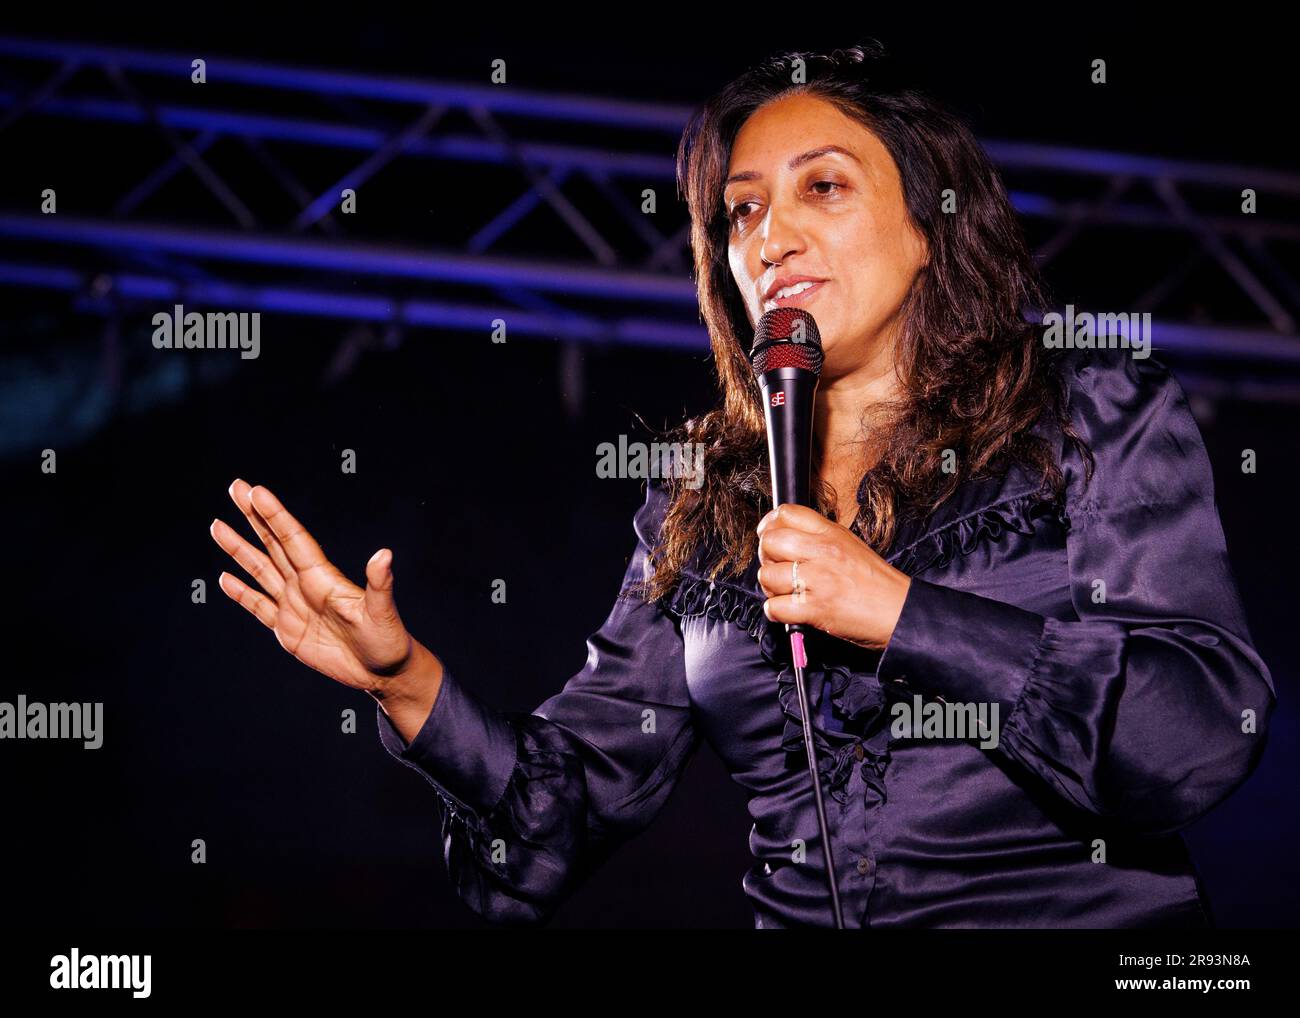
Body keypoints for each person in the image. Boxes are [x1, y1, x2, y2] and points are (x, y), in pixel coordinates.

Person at [208, 41, 1275, 928]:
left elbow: (1195, 738)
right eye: (740, 212)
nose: (771, 237)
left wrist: (902, 613)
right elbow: (548, 836)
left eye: (823, 187)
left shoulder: (1086, 413)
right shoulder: (702, 500)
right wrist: (405, 684)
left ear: (927, 226)